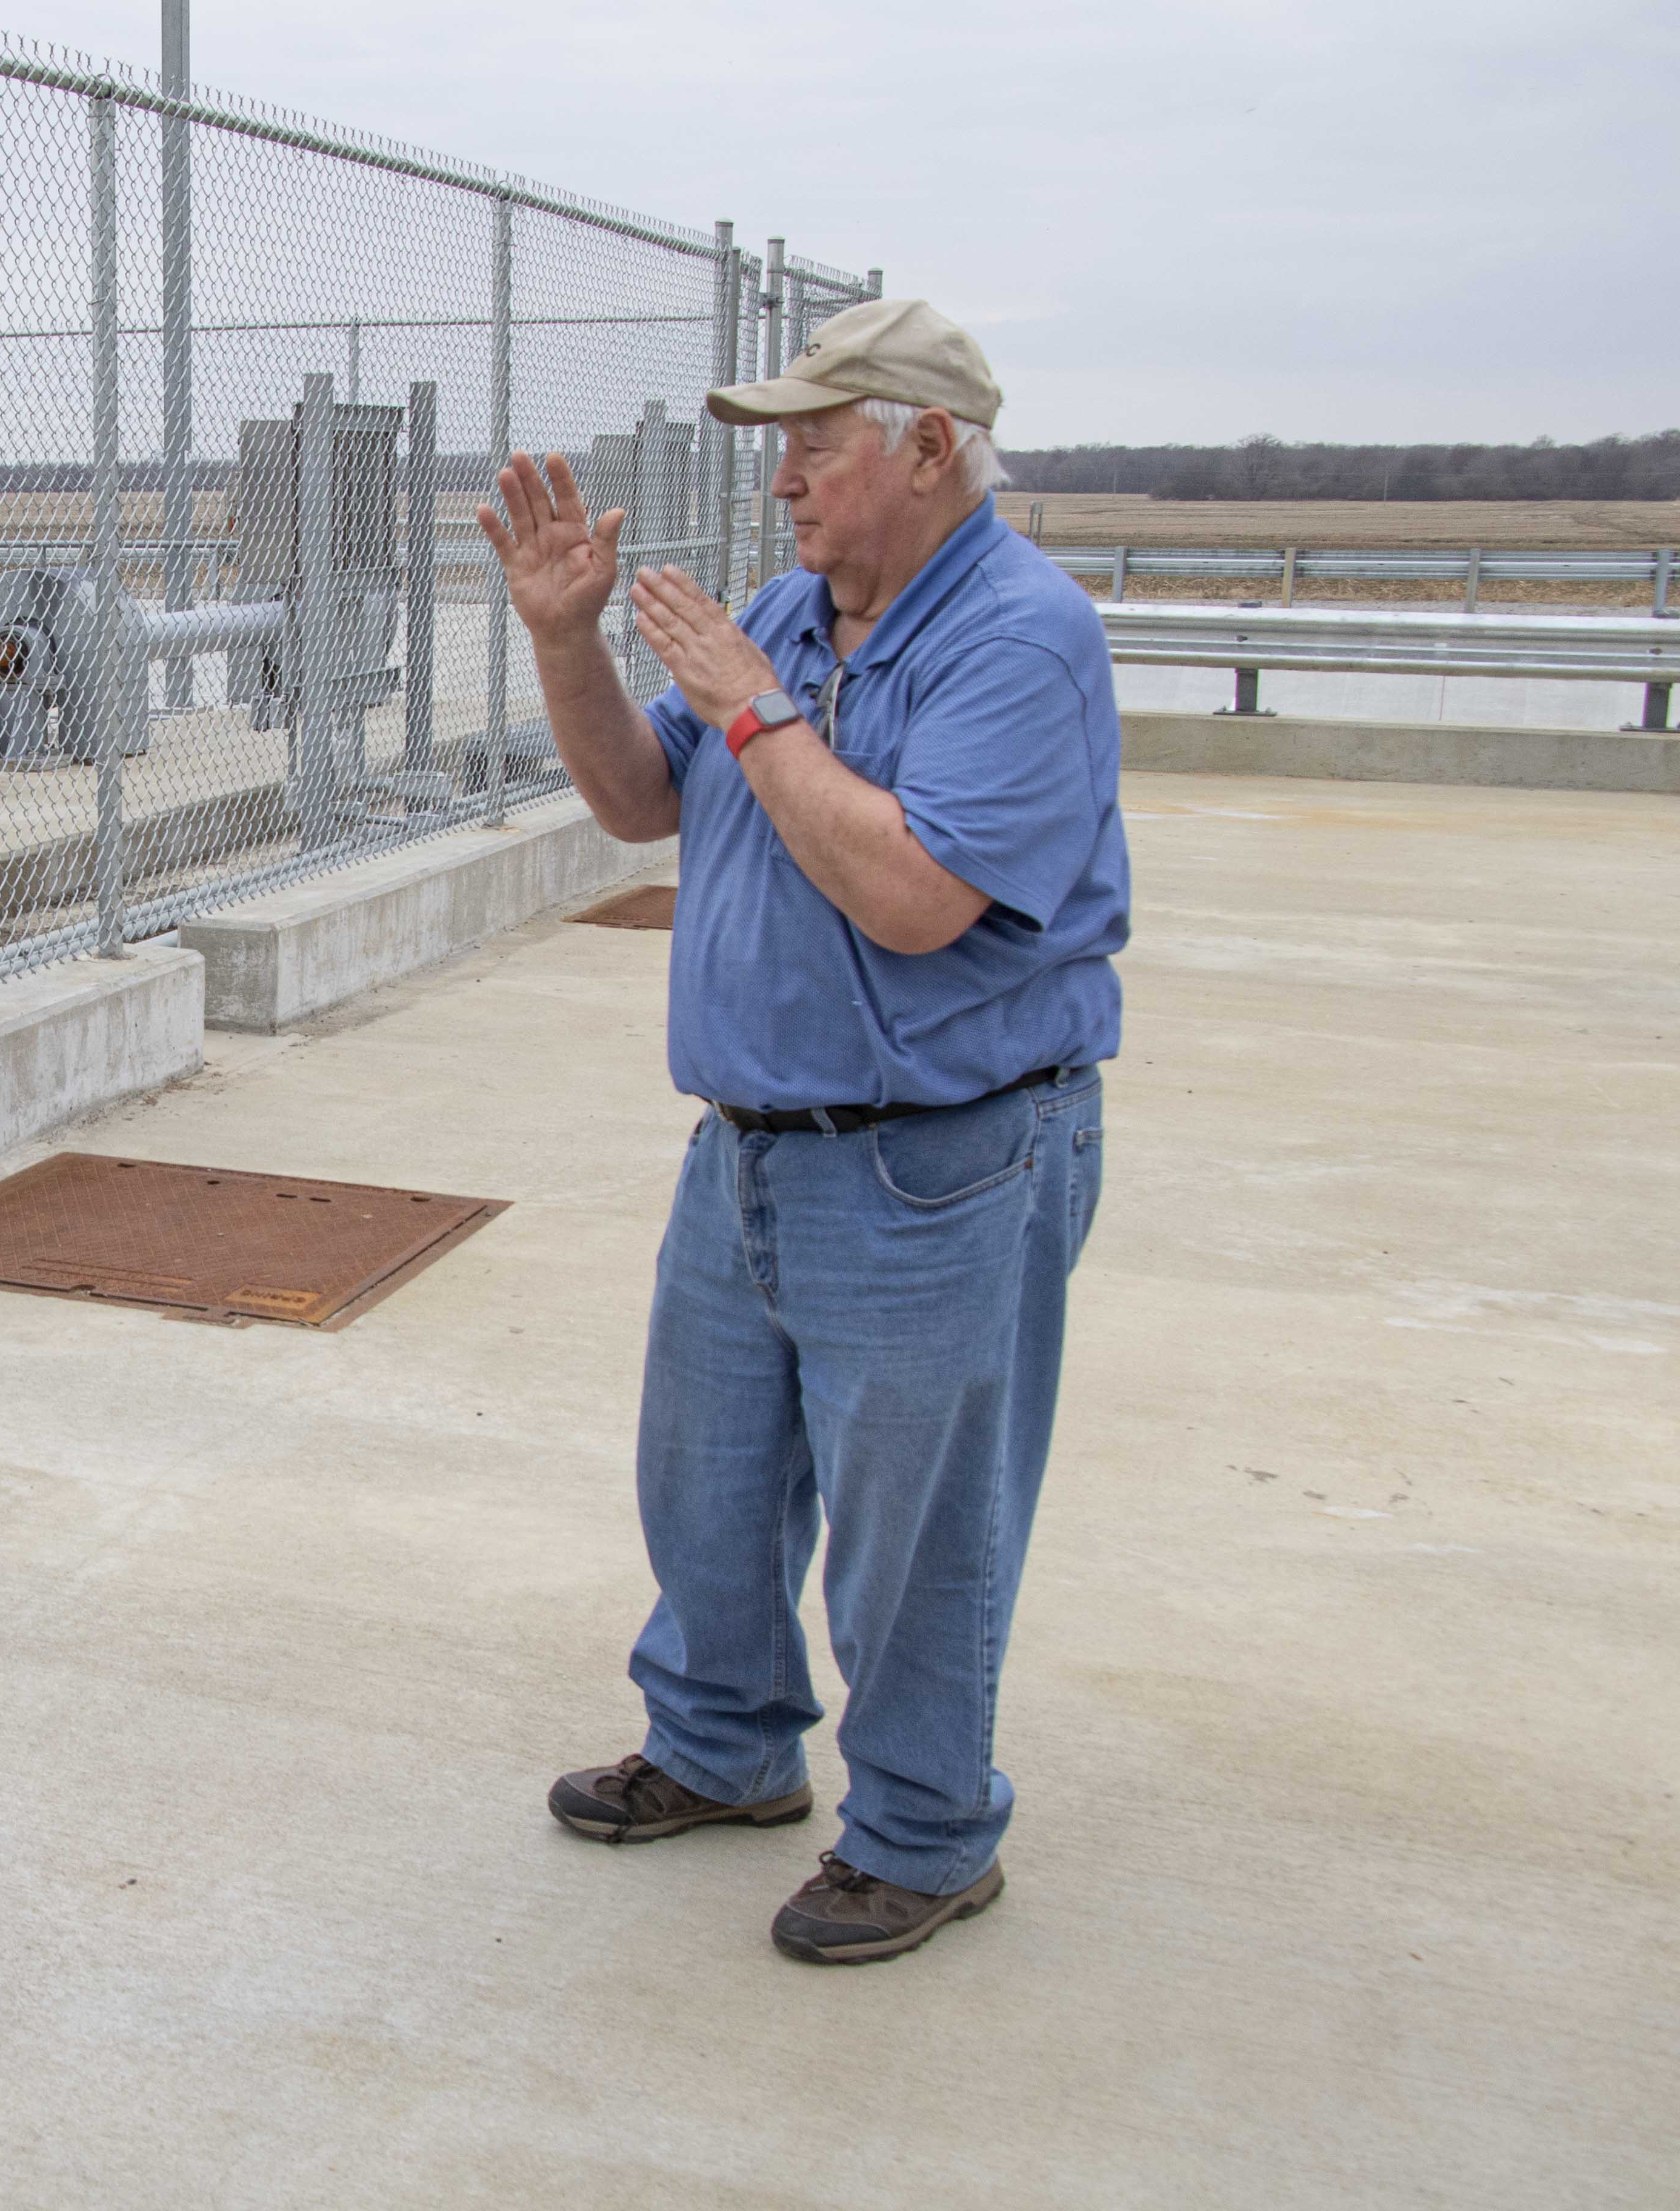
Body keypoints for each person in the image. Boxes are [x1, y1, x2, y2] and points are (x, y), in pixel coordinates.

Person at [476, 298, 1127, 1965]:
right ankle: (719, 1746)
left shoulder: (1019, 637)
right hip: (756, 1144)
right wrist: (568, 642)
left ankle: (923, 1833)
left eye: (813, 445)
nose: (782, 484)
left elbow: (916, 898)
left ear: (924, 448)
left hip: (940, 1161)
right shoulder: (795, 610)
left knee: (918, 1526)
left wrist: (762, 708)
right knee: (705, 1479)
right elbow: (643, 803)